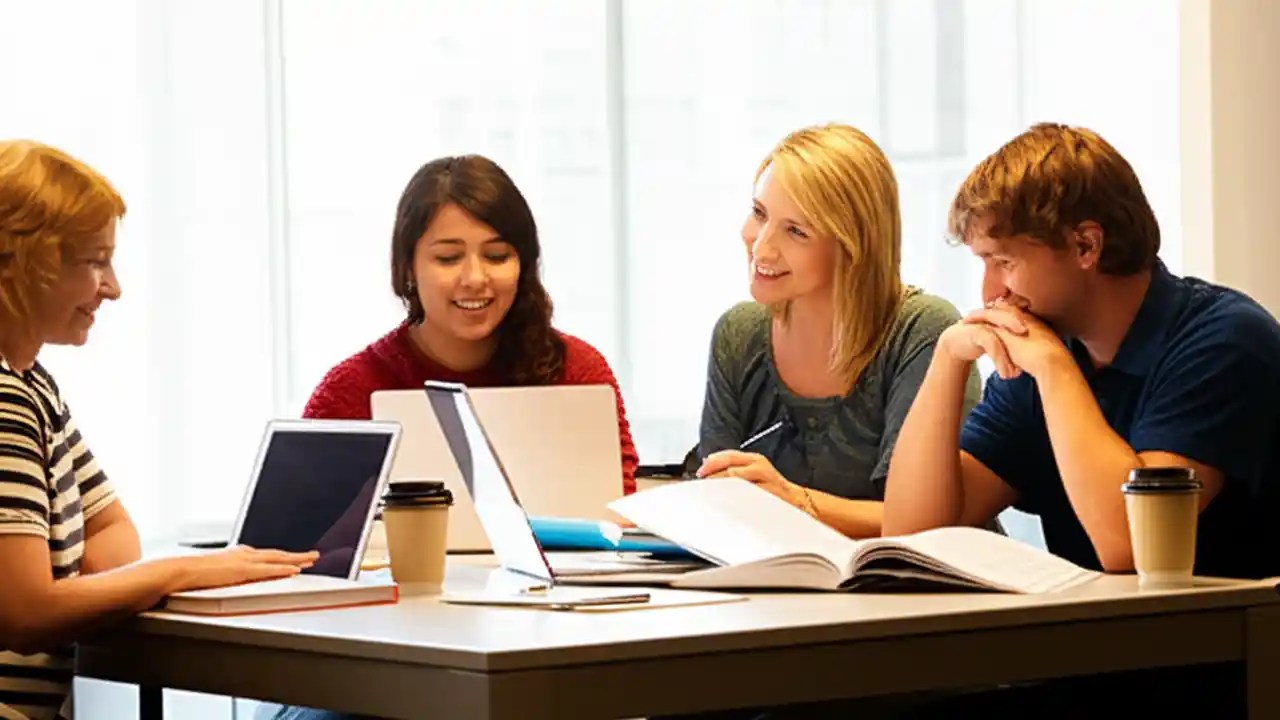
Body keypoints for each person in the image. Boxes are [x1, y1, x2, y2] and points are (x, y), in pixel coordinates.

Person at [882, 122, 1276, 714]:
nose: (990, 291)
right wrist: (947, 362)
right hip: (1099, 667)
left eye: (1003, 261)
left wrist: (1056, 373)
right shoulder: (1051, 350)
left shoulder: (1224, 339)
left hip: (1218, 679)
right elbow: (914, 532)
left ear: (1087, 247)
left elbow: (1131, 545)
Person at [0, 140, 316, 720]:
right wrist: (187, 569)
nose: (113, 287)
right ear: (19, 261)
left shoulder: (32, 385)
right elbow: (24, 614)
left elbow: (113, 536)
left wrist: (76, 585)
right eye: (94, 261)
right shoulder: (5, 402)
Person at [695, 123, 980, 538]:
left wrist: (793, 502)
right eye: (759, 213)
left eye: (796, 231)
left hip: (924, 591)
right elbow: (720, 504)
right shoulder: (738, 334)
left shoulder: (924, 331)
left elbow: (928, 526)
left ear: (853, 247)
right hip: (791, 590)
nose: (761, 247)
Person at [303, 154, 639, 494]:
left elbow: (619, 515)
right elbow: (295, 534)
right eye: (448, 258)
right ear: (408, 268)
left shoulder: (576, 372)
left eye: (497, 256)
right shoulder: (350, 394)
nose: (475, 278)